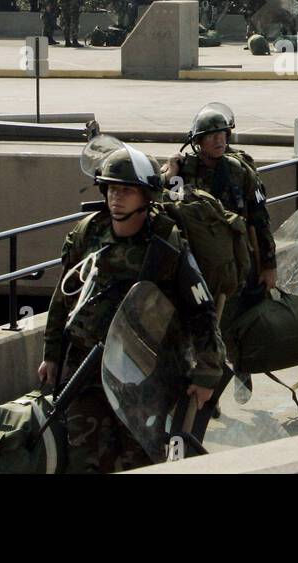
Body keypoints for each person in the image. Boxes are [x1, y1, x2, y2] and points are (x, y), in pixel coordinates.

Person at [38, 145, 223, 472]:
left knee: (139, 459)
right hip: (88, 367)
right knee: (82, 459)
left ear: (146, 196)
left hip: (145, 372)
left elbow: (201, 307)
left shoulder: (165, 242)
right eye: (111, 188)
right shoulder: (89, 233)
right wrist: (52, 354)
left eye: (126, 190)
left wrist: (207, 371)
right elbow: (64, 297)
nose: (116, 197)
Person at [165, 103, 277, 309]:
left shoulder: (240, 171)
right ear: (198, 141)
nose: (219, 140)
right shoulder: (183, 171)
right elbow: (169, 208)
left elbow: (259, 219)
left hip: (237, 255)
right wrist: (170, 174)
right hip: (199, 256)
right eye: (211, 135)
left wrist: (269, 266)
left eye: (222, 134)